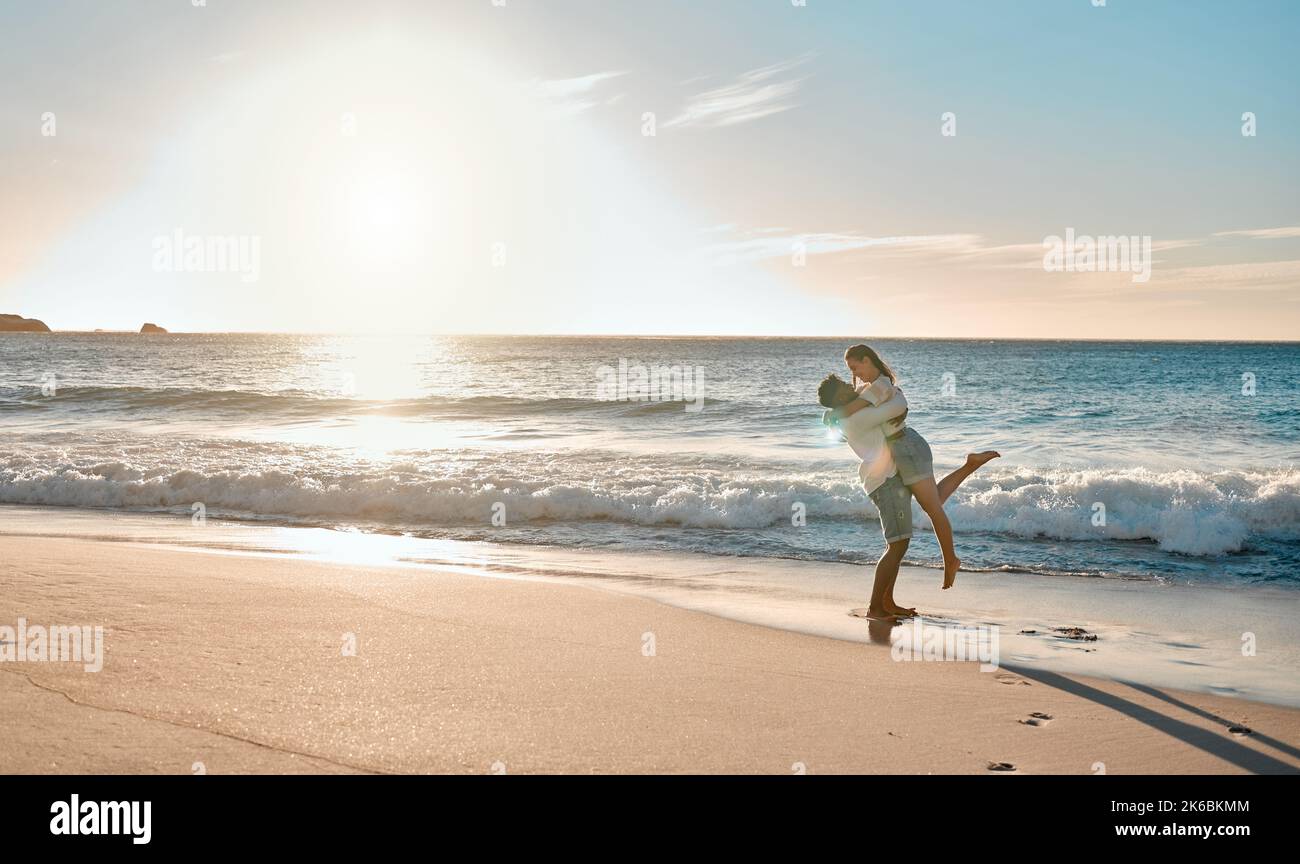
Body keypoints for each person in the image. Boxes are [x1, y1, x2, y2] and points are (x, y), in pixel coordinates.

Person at [818, 372, 998, 617]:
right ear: (838, 398)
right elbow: (889, 410)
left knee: (929, 505)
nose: (850, 387)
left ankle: (888, 602)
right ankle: (875, 606)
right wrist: (897, 403)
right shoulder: (856, 417)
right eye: (842, 388)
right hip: (885, 482)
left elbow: (872, 395)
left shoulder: (851, 410)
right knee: (897, 544)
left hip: (892, 475)